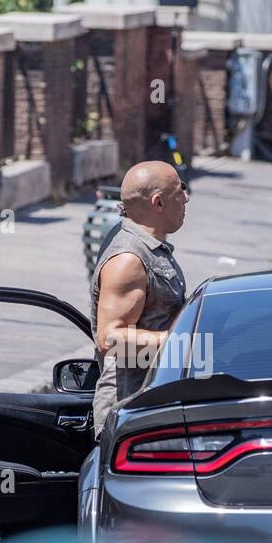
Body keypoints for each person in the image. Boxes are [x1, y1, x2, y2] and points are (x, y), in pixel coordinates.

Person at [90, 161, 189, 437]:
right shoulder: (129, 259)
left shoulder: (147, 246)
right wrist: (185, 341)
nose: (186, 197)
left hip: (152, 402)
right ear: (158, 203)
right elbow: (109, 340)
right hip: (130, 412)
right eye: (180, 190)